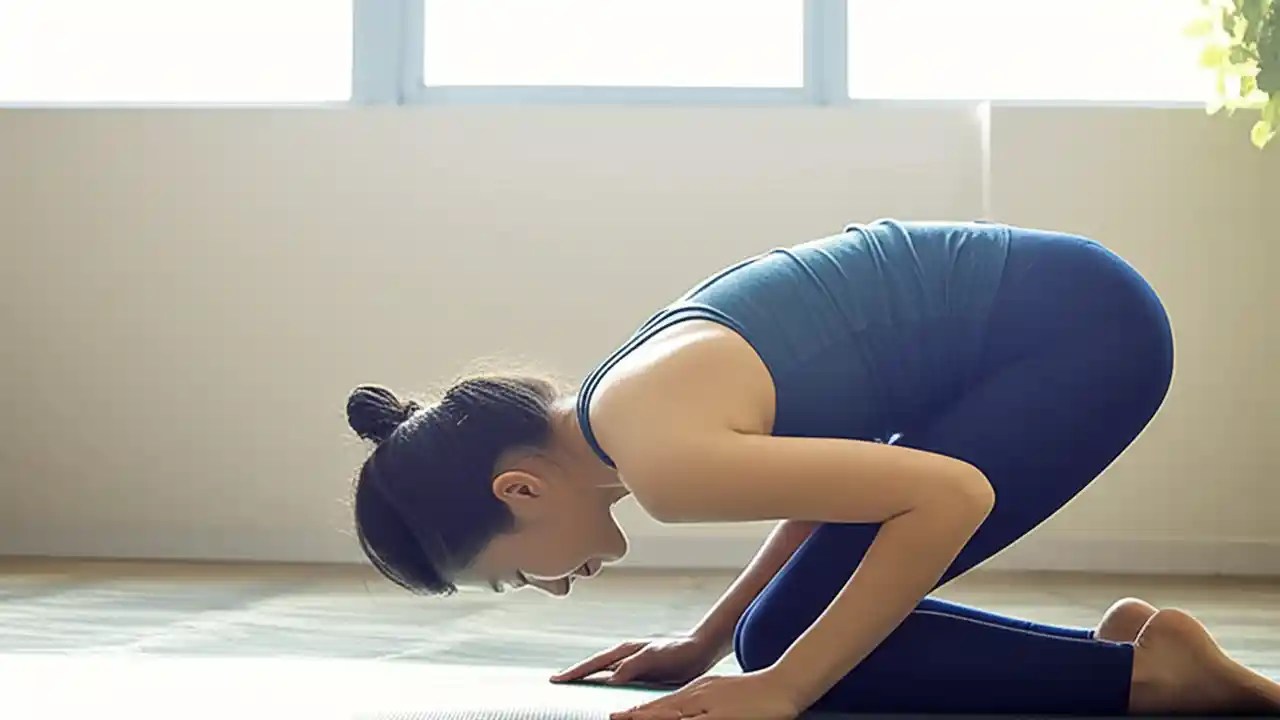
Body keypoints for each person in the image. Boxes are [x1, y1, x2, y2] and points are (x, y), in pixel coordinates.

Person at [344, 219, 1280, 718]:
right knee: (778, 626)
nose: (552, 590)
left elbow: (948, 494)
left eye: (515, 574)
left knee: (790, 641)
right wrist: (710, 645)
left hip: (1078, 336)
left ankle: (1152, 679)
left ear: (520, 490)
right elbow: (837, 489)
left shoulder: (661, 459)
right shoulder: (629, 400)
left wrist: (782, 686)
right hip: (1073, 306)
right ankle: (1122, 662)